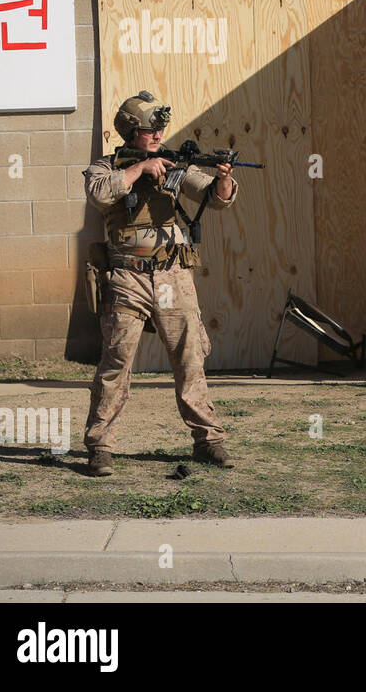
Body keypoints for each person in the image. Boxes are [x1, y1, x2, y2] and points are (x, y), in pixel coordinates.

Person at [83, 91, 237, 477]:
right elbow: (99, 193)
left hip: (171, 274)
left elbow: (211, 198)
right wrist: (140, 170)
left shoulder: (172, 163)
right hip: (126, 275)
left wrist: (223, 182)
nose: (158, 134)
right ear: (131, 131)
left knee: (190, 358)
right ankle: (100, 447)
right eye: (151, 129)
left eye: (160, 129)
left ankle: (209, 440)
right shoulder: (108, 165)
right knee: (116, 362)